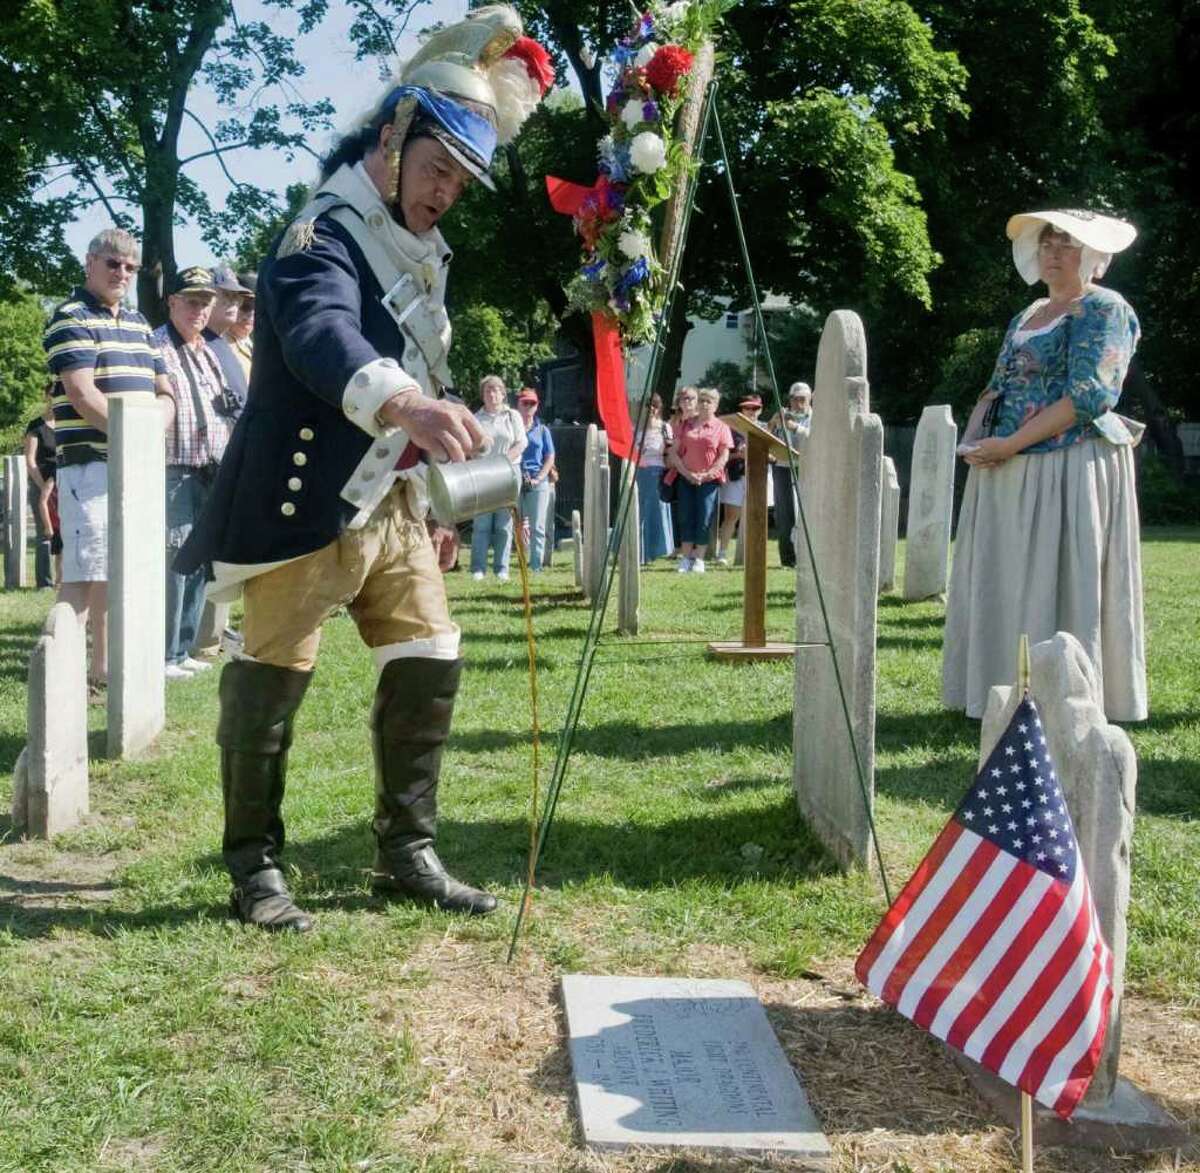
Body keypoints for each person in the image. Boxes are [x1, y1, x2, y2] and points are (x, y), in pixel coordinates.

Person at [175, 5, 553, 932]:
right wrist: (406, 405)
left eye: (459, 182)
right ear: (393, 137)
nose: (442, 193)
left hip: (387, 501)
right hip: (304, 501)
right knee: (272, 677)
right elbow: (320, 335)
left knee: (431, 651)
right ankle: (254, 868)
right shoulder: (321, 237)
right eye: (435, 169)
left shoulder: (421, 253)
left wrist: (433, 458)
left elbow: (413, 364)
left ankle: (406, 851)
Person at [943, 208, 1146, 722]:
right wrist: (978, 442)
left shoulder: (1103, 309)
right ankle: (1001, 687)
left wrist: (1012, 444)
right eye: (1049, 243)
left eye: (1068, 245)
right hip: (1007, 464)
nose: (1054, 252)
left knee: (1058, 575)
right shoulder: (1029, 313)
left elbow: (1089, 395)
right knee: (1008, 577)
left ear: (1095, 258)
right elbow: (1001, 385)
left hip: (1068, 464)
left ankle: (1061, 691)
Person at [42, 227, 176, 692]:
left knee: (121, 573)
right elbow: (81, 394)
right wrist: (134, 437)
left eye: (130, 267)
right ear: (90, 263)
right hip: (91, 465)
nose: (122, 273)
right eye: (112, 263)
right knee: (84, 572)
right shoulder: (69, 317)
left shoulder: (140, 324)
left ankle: (103, 670)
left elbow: (165, 390)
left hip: (136, 463)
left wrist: (155, 422)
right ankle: (59, 680)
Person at [152, 266, 239, 680]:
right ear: (172, 302)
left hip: (212, 467)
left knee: (201, 559)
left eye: (206, 303)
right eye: (191, 301)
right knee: (176, 558)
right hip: (175, 468)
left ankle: (184, 646)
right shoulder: (156, 346)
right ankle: (165, 653)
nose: (199, 310)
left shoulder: (207, 349)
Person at [665, 386, 733, 573]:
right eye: (701, 400)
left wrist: (706, 475)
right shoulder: (686, 424)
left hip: (709, 481)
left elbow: (724, 456)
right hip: (685, 478)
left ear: (715, 405)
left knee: (704, 517)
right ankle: (686, 558)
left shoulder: (722, 427)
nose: (703, 404)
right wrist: (686, 473)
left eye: (708, 401)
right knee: (686, 516)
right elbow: (674, 451)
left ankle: (699, 559)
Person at [469, 374, 526, 581]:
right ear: (483, 395)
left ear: (503, 393)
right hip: (483, 474)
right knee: (482, 523)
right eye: (488, 391)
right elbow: (471, 447)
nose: (492, 394)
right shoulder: (475, 418)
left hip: (509, 473)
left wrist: (502, 462)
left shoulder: (513, 416)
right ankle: (478, 568)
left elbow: (521, 443)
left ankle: (502, 568)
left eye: (496, 390)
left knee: (504, 523)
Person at [715, 393, 764, 565]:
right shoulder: (730, 429)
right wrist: (739, 454)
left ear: (760, 410)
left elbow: (773, 455)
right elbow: (722, 456)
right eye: (747, 407)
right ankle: (722, 553)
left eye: (754, 408)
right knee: (731, 516)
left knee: (755, 517)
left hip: (758, 477)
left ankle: (752, 555)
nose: (750, 411)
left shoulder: (765, 429)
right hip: (736, 476)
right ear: (741, 409)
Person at [766, 381, 811, 567]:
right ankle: (787, 559)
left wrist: (794, 427)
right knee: (784, 514)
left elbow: (817, 437)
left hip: (807, 468)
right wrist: (773, 423)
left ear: (810, 399)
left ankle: (806, 557)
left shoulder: (816, 417)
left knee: (806, 513)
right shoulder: (783, 416)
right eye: (795, 399)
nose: (798, 404)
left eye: (803, 399)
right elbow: (766, 436)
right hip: (782, 466)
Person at [516, 387, 556, 569]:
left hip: (537, 480)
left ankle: (536, 565)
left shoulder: (543, 430)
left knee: (538, 526)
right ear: (518, 404)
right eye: (525, 403)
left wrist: (539, 478)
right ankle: (517, 563)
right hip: (514, 478)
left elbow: (549, 457)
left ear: (537, 406)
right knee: (513, 525)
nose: (528, 406)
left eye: (532, 403)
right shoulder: (512, 427)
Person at [23, 386, 58, 589]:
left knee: (64, 532)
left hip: (63, 485)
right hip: (41, 484)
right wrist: (43, 485)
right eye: (52, 394)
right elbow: (30, 460)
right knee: (45, 533)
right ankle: (44, 582)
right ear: (46, 396)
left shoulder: (66, 423)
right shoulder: (35, 426)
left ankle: (64, 579)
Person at [204, 265, 252, 409]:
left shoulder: (230, 344)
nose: (233, 301)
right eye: (226, 294)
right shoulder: (195, 342)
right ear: (207, 297)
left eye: (237, 295)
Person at [633, 392, 673, 563]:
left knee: (656, 510)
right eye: (647, 406)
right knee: (640, 511)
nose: (651, 410)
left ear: (659, 408)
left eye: (654, 406)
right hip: (641, 471)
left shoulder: (665, 427)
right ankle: (641, 552)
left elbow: (670, 450)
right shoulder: (637, 430)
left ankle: (656, 550)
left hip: (658, 471)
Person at [224, 270, 256, 384]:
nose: (251, 314)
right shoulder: (217, 342)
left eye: (257, 307)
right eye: (246, 306)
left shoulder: (254, 342)